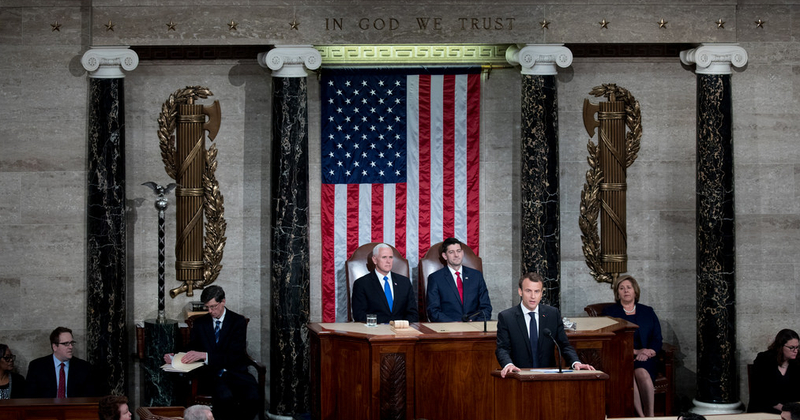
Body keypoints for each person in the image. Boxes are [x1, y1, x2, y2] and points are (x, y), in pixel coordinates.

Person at [164, 285, 259, 420]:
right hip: (212, 374)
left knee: (253, 396)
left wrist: (205, 355)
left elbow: (234, 355)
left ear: (223, 302)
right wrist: (175, 356)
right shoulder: (200, 323)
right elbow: (192, 346)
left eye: (213, 306)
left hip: (236, 372)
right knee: (224, 397)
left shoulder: (237, 322)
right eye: (207, 307)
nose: (210, 311)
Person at [496, 272, 595, 377]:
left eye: (537, 291)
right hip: (519, 375)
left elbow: (564, 345)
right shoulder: (507, 317)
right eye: (528, 291)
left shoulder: (552, 314)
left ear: (542, 293)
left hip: (547, 377)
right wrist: (508, 364)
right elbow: (502, 348)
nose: (533, 296)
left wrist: (576, 363)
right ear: (520, 292)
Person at [602, 275, 663, 417]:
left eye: (629, 287)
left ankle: (650, 415)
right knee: (628, 374)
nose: (626, 291)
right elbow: (610, 340)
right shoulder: (609, 312)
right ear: (617, 293)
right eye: (621, 288)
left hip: (646, 358)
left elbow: (657, 338)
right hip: (621, 357)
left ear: (635, 291)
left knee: (641, 372)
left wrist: (648, 352)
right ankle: (641, 417)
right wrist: (636, 351)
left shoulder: (647, 311)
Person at [426, 237, 492, 322]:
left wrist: (476, 323)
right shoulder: (435, 278)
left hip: (475, 328)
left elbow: (486, 307)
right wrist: (454, 324)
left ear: (462, 253)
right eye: (451, 252)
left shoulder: (476, 276)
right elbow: (433, 311)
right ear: (445, 256)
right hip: (449, 330)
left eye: (458, 251)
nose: (456, 255)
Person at [351, 243, 419, 324]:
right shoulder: (362, 284)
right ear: (375, 260)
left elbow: (413, 313)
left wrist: (400, 325)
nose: (388, 261)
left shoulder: (404, 282)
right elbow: (359, 315)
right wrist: (384, 326)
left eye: (390, 257)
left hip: (401, 332)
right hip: (375, 331)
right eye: (384, 257)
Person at [25, 327, 96, 398]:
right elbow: (30, 397)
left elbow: (89, 396)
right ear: (55, 347)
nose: (71, 347)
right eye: (66, 344)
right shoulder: (37, 366)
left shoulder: (84, 367)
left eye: (72, 343)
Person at [748, 329, 800, 414]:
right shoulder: (763, 360)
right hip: (764, 409)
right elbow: (760, 392)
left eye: (797, 347)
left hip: (790, 411)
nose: (795, 351)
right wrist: (781, 407)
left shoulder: (797, 363)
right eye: (791, 348)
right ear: (780, 346)